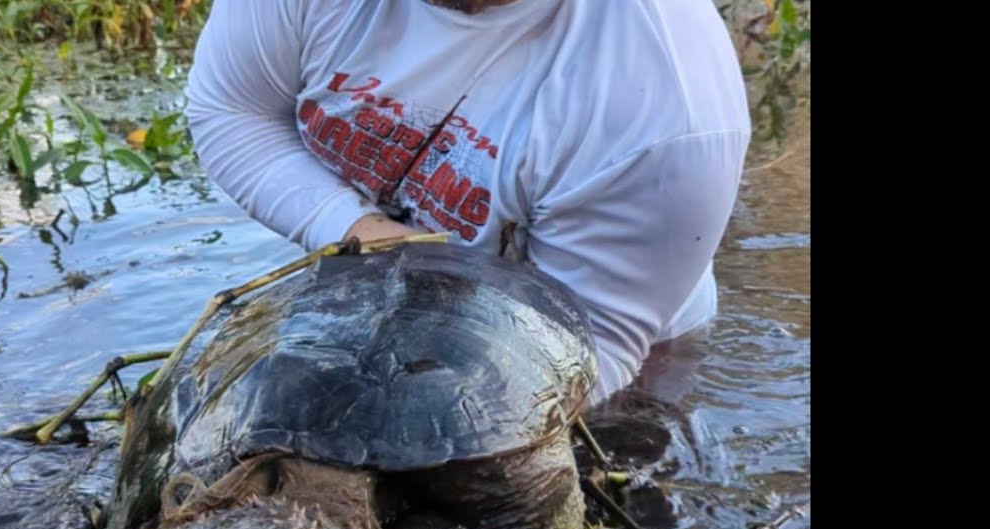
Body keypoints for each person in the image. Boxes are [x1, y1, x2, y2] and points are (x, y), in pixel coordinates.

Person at [185, 0, 750, 404]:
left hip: (617, 340)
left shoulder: (666, 105)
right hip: (385, 283)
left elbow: (588, 353)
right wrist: (359, 229)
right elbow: (235, 112)